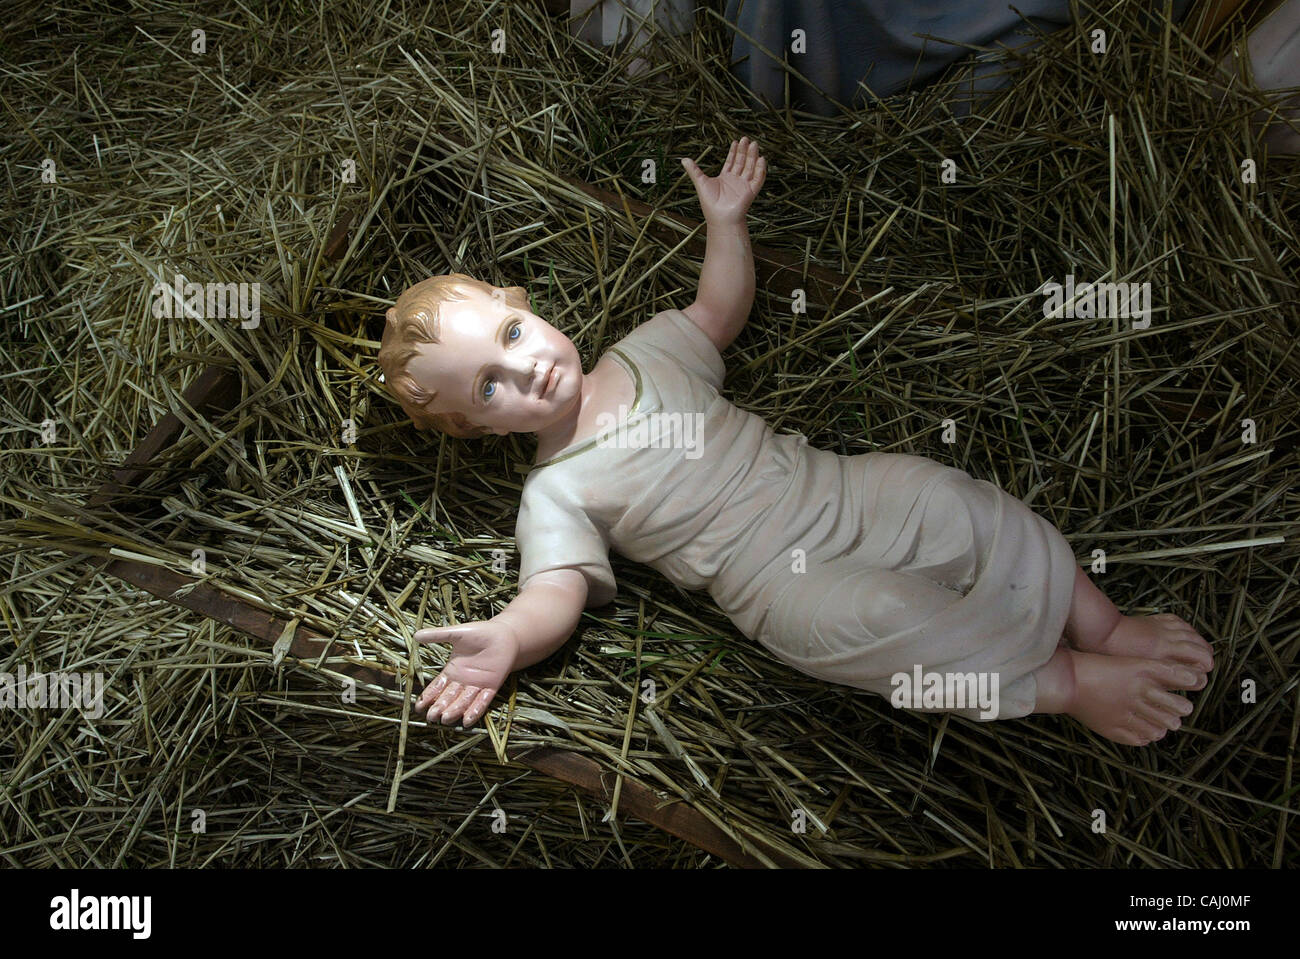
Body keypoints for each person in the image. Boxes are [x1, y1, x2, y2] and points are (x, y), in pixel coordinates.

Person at [377, 138, 1214, 744]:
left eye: (515, 334)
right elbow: (553, 592)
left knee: (951, 497)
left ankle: (1098, 624)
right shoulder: (554, 492)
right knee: (886, 622)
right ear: (476, 427)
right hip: (775, 582)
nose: (524, 373)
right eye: (488, 386)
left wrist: (726, 222)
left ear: (526, 304)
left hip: (834, 487)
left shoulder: (643, 350)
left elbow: (719, 312)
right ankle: (1066, 685)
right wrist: (510, 641)